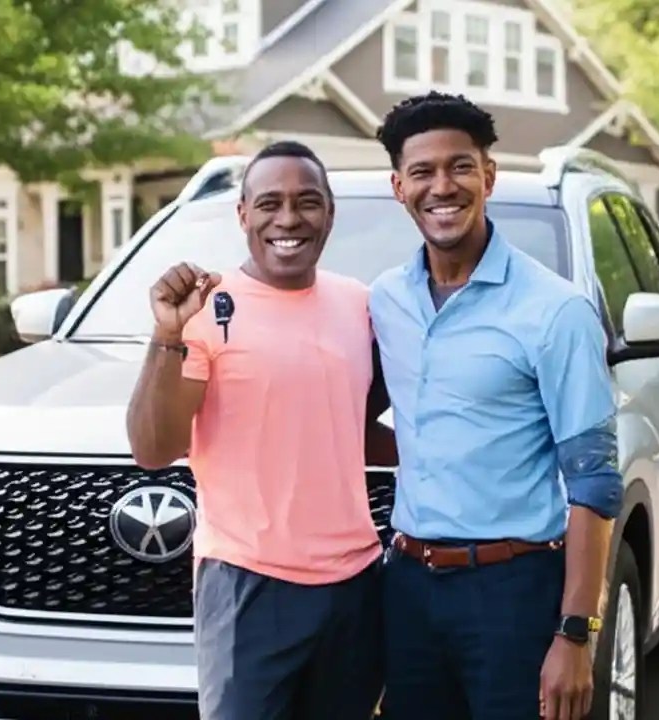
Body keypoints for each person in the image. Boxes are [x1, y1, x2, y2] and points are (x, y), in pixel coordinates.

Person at [368, 92, 624, 720]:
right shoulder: (385, 300)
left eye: (459, 166)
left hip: (514, 591)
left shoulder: (554, 310)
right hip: (407, 587)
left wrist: (575, 632)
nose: (442, 186)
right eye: (422, 172)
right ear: (399, 187)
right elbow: (351, 418)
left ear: (488, 175)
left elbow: (593, 482)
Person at [125, 140, 395, 720]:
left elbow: (351, 424)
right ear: (243, 214)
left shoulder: (361, 306)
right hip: (247, 583)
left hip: (354, 584)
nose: (289, 219)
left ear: (330, 212)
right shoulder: (203, 309)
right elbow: (153, 449)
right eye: (269, 203)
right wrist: (166, 335)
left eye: (308, 202)